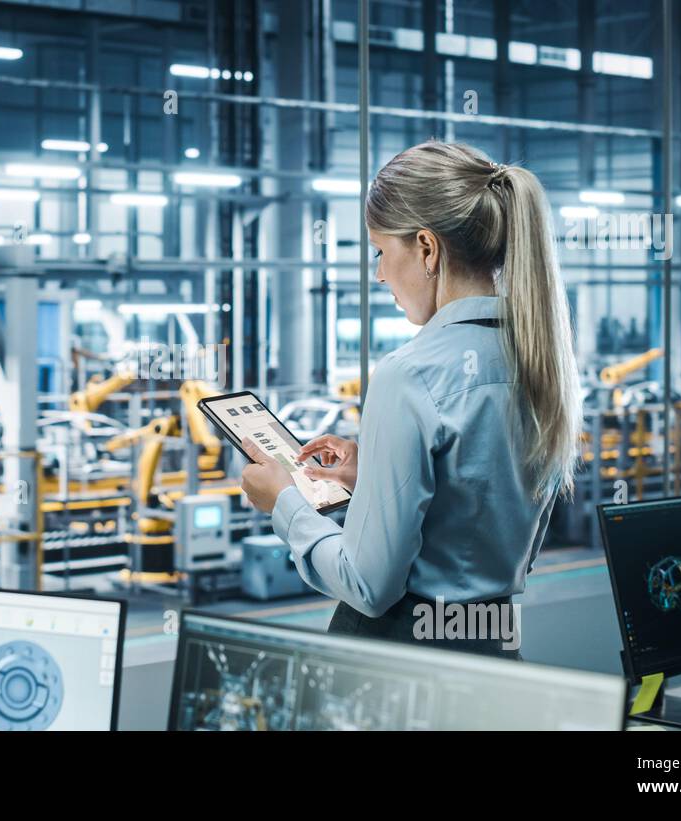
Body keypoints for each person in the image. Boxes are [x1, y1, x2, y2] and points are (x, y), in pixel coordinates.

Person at [239, 141, 582, 658]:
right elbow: (488, 524)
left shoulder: (409, 374)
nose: (379, 273)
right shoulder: (540, 361)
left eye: (380, 251)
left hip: (403, 665)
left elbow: (368, 587)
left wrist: (284, 503)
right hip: (494, 648)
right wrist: (376, 475)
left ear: (427, 248)